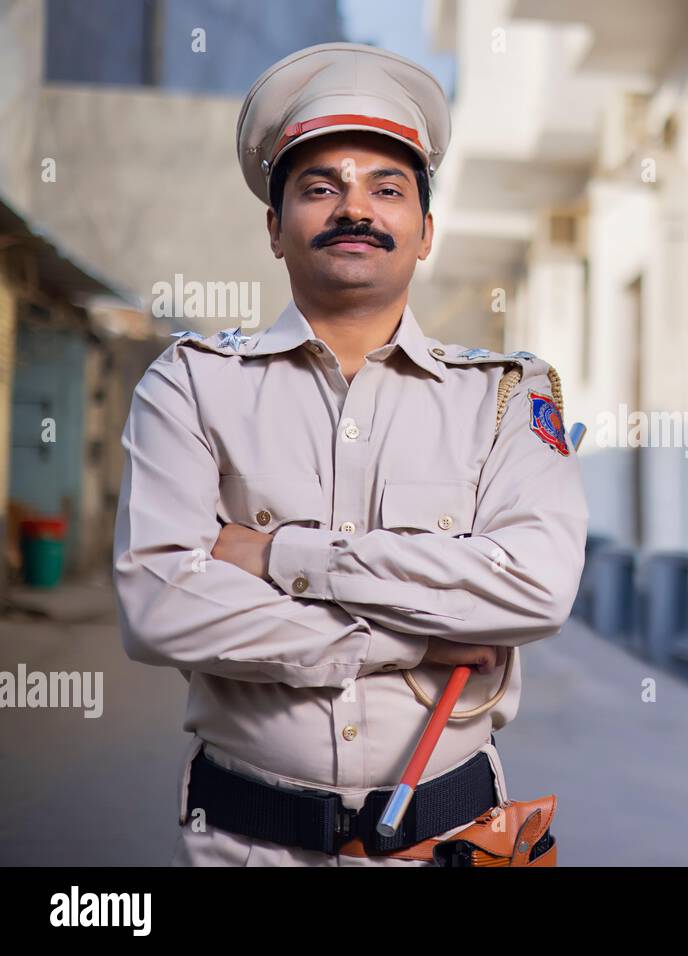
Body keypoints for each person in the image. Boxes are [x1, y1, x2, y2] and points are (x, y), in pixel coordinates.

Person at [111, 42, 588, 866]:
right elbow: (159, 606)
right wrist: (411, 640)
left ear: (426, 231)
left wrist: (276, 554)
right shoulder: (191, 384)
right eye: (320, 187)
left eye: (387, 188)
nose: (354, 208)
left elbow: (536, 588)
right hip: (245, 840)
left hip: (451, 836)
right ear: (274, 227)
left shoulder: (509, 395)